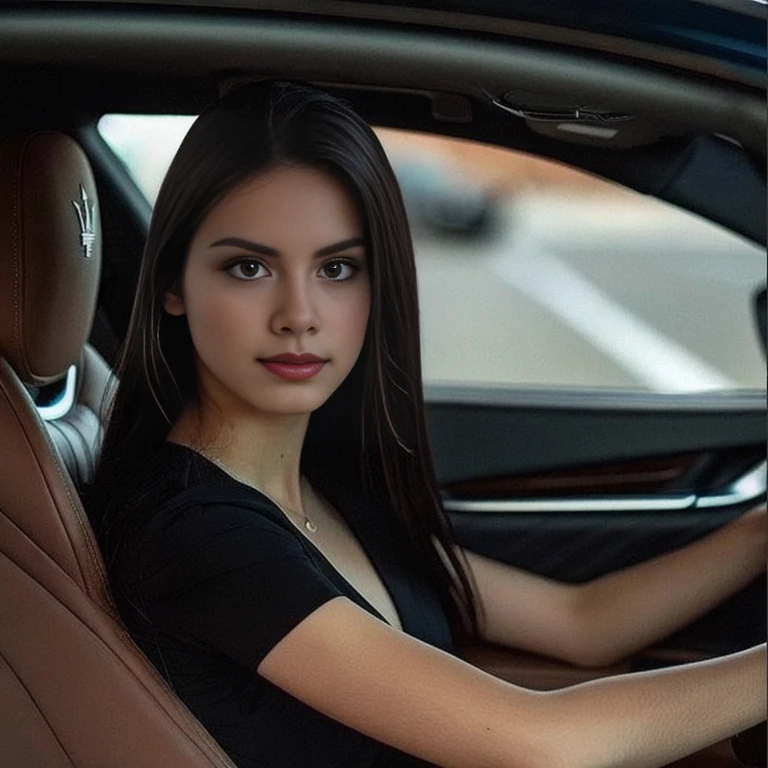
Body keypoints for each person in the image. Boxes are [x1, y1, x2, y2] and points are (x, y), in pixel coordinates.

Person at [86, 80, 767, 768]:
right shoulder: (200, 535)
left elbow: (581, 625)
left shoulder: (327, 488)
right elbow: (543, 745)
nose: (299, 313)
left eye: (338, 268)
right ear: (173, 284)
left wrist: (760, 528)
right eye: (250, 266)